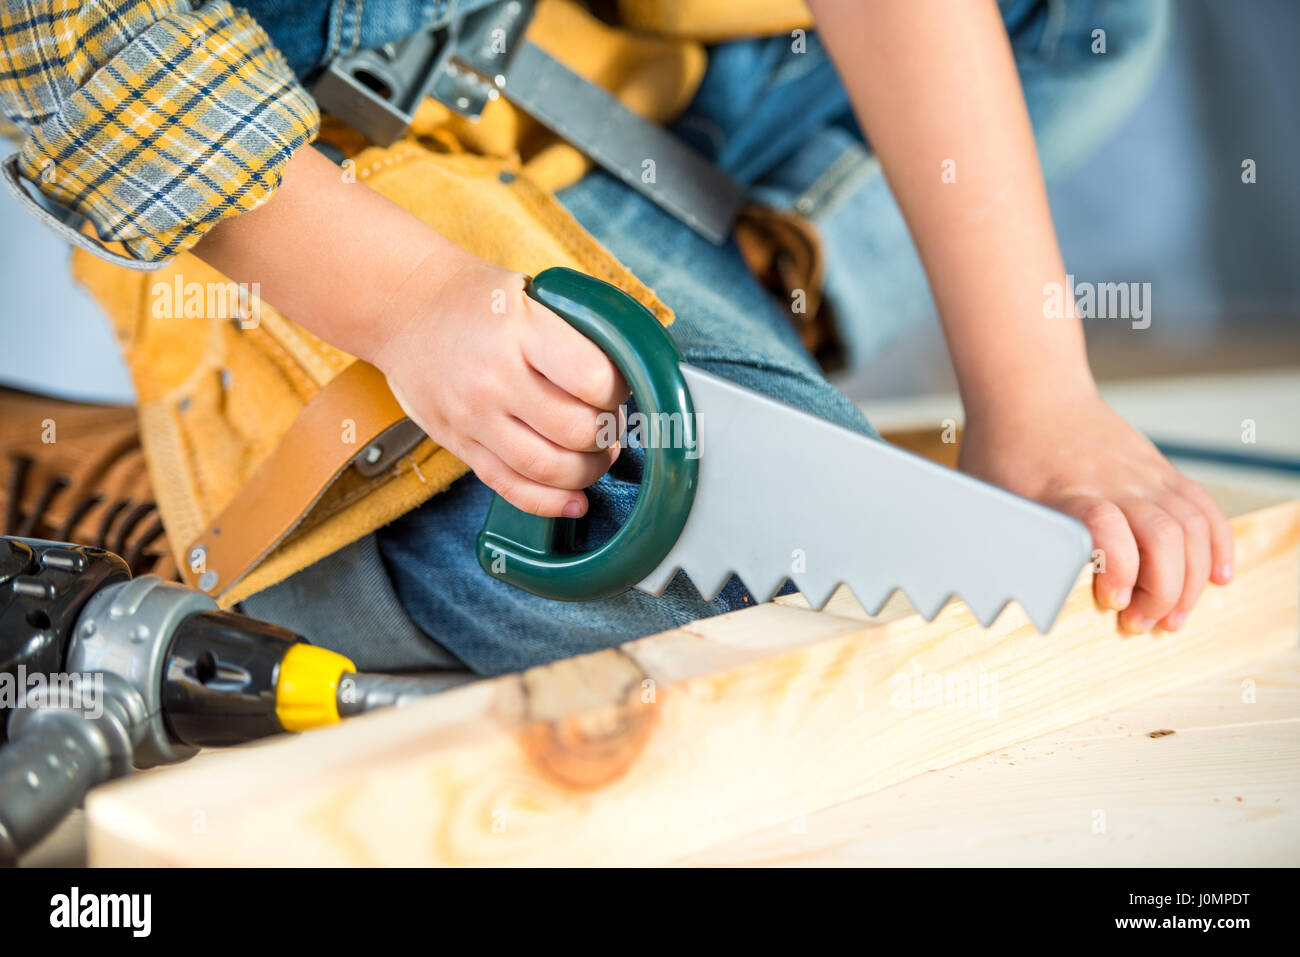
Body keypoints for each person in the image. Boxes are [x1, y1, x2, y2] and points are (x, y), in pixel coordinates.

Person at [1, 0, 1231, 677]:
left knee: (1088, 20)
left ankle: (699, 323)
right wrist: (407, 304)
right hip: (292, 181)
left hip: (569, 69)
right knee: (763, 625)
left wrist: (1037, 394)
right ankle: (235, 460)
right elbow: (73, 46)